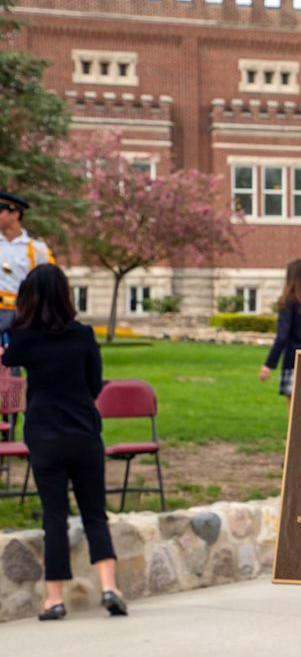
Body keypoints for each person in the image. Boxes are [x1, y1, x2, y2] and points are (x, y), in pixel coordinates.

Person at [0, 264, 127, 620]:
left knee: (54, 518)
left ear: (30, 297)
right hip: (84, 433)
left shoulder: (25, 337)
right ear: (67, 295)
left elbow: (7, 357)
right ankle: (109, 588)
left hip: (45, 436)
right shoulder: (83, 335)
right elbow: (95, 385)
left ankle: (53, 598)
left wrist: (18, 317)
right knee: (94, 514)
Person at [0, 192, 55, 336]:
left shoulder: (37, 248)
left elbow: (50, 280)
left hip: (24, 312)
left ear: (15, 214)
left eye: (1, 212)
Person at [259, 259, 301, 396]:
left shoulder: (289, 302)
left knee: (294, 412)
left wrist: (269, 364)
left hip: (293, 360)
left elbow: (282, 335)